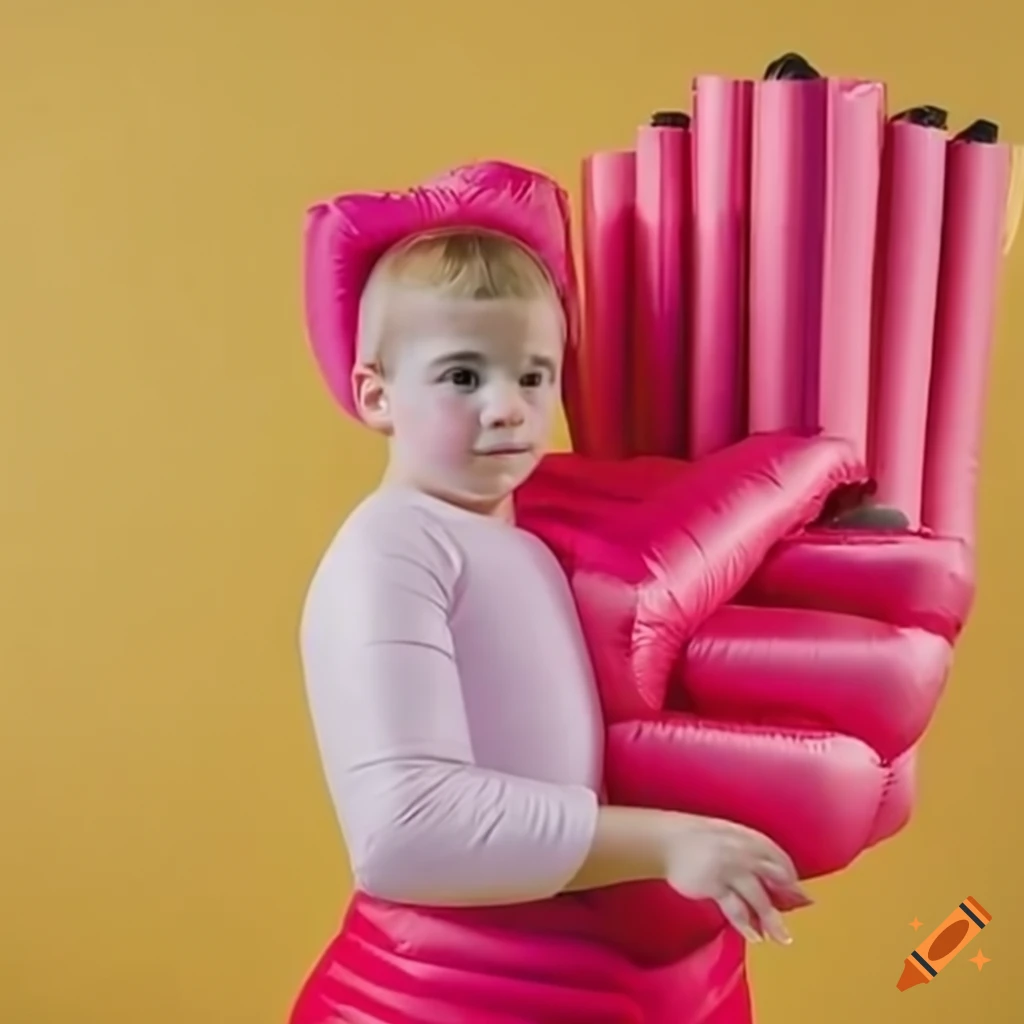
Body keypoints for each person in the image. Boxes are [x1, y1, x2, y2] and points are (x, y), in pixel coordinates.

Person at [295, 229, 811, 1023]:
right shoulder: (391, 547)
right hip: (435, 997)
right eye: (463, 375)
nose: (508, 406)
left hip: (576, 982)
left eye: (533, 375)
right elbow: (402, 832)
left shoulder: (527, 543)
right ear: (376, 395)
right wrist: (668, 844)